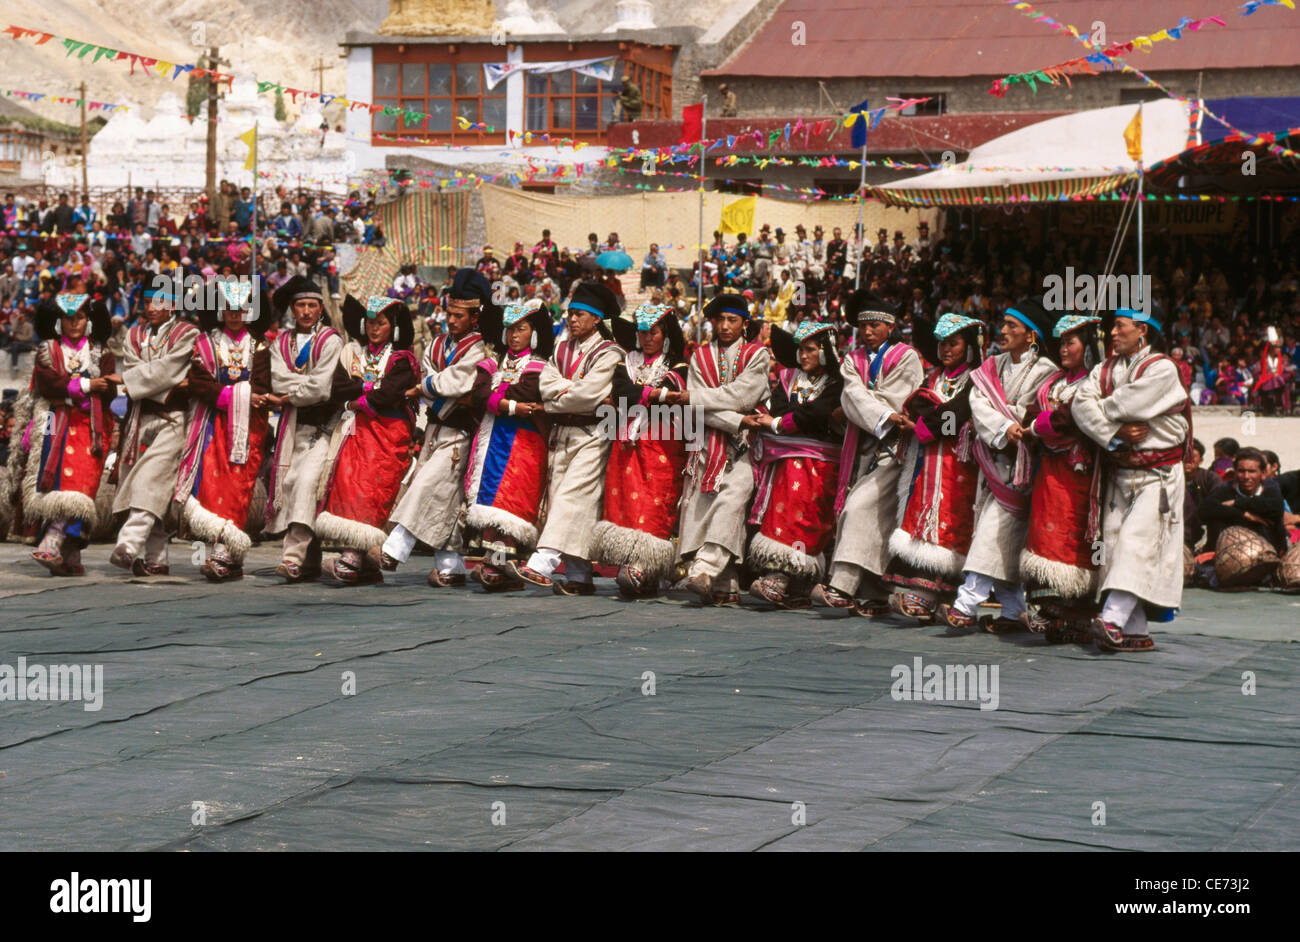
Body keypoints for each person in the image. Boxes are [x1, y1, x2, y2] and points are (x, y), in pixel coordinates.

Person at [1072, 308, 1190, 653]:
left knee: (1136, 544)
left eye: (1119, 327)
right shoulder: (1104, 369)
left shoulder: (1162, 368)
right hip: (1120, 471)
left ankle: (1111, 619)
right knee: (1111, 545)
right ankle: (1136, 630)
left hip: (1158, 476)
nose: (1111, 333)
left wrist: (1101, 412)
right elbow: (1081, 405)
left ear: (1142, 331)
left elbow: (1127, 403)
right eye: (1111, 327)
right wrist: (1115, 433)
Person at [938, 298, 1057, 632]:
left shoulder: (1046, 371)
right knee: (1003, 539)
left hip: (1022, 468)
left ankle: (965, 605)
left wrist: (1012, 421)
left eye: (1011, 326)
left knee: (992, 534)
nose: (1003, 331)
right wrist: (1007, 426)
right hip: (993, 460)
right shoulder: (992, 366)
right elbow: (979, 405)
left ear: (1031, 335)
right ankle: (1012, 610)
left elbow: (1035, 412)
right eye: (1003, 324)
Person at [508, 283, 625, 595]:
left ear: (597, 319)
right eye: (570, 314)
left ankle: (542, 561)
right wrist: (568, 393)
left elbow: (590, 395)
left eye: (580, 315)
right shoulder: (561, 348)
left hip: (592, 434)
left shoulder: (610, 352)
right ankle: (579, 576)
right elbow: (546, 385)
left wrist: (554, 400)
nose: (572, 320)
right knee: (569, 500)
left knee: (571, 498)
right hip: (562, 433)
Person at [375, 269, 490, 585]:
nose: (451, 320)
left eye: (459, 315)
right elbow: (438, 380)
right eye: (449, 313)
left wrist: (429, 386)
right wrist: (436, 388)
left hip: (461, 433)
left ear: (474, 317)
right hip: (436, 427)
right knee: (444, 497)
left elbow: (460, 380)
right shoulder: (437, 343)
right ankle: (451, 566)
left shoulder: (481, 347)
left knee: (426, 485)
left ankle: (395, 547)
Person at [812, 291, 924, 615]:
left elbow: (898, 396)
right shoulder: (853, 358)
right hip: (864, 446)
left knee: (859, 508)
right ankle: (877, 591)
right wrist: (882, 411)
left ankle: (842, 586)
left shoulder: (907, 356)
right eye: (863, 327)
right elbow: (850, 396)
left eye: (875, 325)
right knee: (876, 515)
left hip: (896, 448)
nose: (868, 332)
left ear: (890, 327)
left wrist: (872, 405)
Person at [884, 313, 983, 623]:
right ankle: (923, 590)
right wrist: (934, 418)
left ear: (968, 347)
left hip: (960, 462)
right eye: (942, 344)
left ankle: (946, 592)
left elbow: (957, 417)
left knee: (954, 518)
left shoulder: (977, 380)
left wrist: (928, 420)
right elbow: (917, 405)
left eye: (953, 344)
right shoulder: (932, 378)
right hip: (927, 459)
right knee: (922, 515)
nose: (946, 350)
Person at [673, 293, 771, 605]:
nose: (725, 326)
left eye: (733, 320)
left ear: (745, 325)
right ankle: (725, 582)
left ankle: (703, 568)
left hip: (749, 446)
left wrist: (704, 401)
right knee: (708, 504)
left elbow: (741, 394)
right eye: (721, 320)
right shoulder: (699, 356)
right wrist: (739, 420)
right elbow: (701, 405)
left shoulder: (758, 355)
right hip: (710, 442)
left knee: (732, 499)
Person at [173, 280, 274, 582]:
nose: (234, 314)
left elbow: (262, 386)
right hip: (211, 423)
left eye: (240, 309)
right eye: (229, 308)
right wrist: (235, 395)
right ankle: (220, 553)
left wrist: (243, 395)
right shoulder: (205, 343)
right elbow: (199, 383)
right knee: (210, 487)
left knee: (239, 488)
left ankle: (229, 554)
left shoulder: (259, 346)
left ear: (248, 311)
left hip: (247, 428)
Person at [315, 296, 418, 584]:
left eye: (381, 323)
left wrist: (358, 394)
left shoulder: (402, 359)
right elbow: (338, 388)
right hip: (358, 430)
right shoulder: (354, 354)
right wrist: (369, 389)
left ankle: (358, 554)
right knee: (349, 485)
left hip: (389, 432)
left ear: (393, 328)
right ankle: (357, 553)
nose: (374, 329)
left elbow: (390, 394)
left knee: (375, 489)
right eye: (371, 323)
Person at [1019, 314, 1107, 643]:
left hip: (1080, 472)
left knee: (1076, 535)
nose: (1064, 349)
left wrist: (1035, 427)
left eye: (1071, 342)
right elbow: (1034, 412)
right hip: (1050, 471)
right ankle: (1054, 610)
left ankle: (1078, 612)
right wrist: (1037, 424)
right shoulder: (1053, 382)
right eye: (1061, 343)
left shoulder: (1094, 383)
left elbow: (1068, 419)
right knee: (1045, 535)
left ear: (1088, 347)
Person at [591, 302, 689, 597]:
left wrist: (641, 395)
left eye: (653, 332)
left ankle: (648, 564)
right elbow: (622, 390)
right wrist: (657, 393)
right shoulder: (627, 362)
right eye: (642, 332)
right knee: (626, 499)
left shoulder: (678, 365)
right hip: (628, 438)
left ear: (666, 335)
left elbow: (654, 394)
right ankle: (633, 562)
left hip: (663, 440)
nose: (646, 338)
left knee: (656, 499)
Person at [747, 322, 844, 608]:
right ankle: (779, 573)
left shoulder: (838, 382)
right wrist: (799, 419)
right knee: (782, 509)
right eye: (801, 349)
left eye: (810, 349)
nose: (803, 355)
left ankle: (791, 577)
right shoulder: (789, 378)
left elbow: (820, 412)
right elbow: (783, 409)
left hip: (822, 460)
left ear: (825, 352)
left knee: (809, 514)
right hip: (785, 457)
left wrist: (787, 422)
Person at [108, 285, 200, 576]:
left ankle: (128, 544)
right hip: (139, 418)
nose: (151, 308)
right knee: (150, 486)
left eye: (159, 302)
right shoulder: (133, 334)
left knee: (150, 479)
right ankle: (157, 559)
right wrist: (154, 382)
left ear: (173, 305)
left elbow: (167, 369)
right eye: (147, 302)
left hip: (175, 418)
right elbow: (153, 373)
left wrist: (131, 381)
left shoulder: (188, 333)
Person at [465, 299, 554, 591]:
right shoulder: (493, 363)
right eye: (510, 329)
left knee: (513, 498)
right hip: (493, 437)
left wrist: (497, 397)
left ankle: (501, 560)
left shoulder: (540, 366)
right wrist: (508, 405)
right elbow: (478, 394)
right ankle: (495, 560)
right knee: (491, 498)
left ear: (534, 333)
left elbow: (527, 389)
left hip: (524, 441)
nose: (514, 335)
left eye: (522, 329)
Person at [25, 294, 116, 576]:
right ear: (59, 321)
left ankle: (59, 543)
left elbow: (110, 389)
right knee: (57, 484)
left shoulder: (102, 352)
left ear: (88, 320)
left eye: (79, 317)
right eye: (68, 318)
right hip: (57, 422)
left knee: (83, 486)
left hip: (92, 427)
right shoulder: (48, 351)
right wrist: (87, 385)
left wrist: (96, 390)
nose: (74, 323)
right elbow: (48, 384)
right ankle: (66, 552)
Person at [264, 274, 344, 582]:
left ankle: (292, 556)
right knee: (289, 484)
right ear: (292, 309)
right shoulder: (280, 343)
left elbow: (322, 388)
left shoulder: (332, 341)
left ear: (321, 308)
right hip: (291, 428)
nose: (306, 311)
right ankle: (310, 561)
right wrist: (301, 388)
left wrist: (287, 395)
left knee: (306, 483)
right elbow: (277, 379)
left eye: (312, 305)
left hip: (322, 427)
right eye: (300, 305)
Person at [1198, 446, 1286, 588]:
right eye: (1241, 471)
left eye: (1252, 471)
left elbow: (1275, 508)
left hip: (1266, 556)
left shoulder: (1271, 488)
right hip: (1229, 558)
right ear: (1235, 472)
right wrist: (1243, 514)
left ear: (1263, 474)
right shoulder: (1226, 489)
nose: (1246, 477)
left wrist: (1238, 502)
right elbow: (1204, 509)